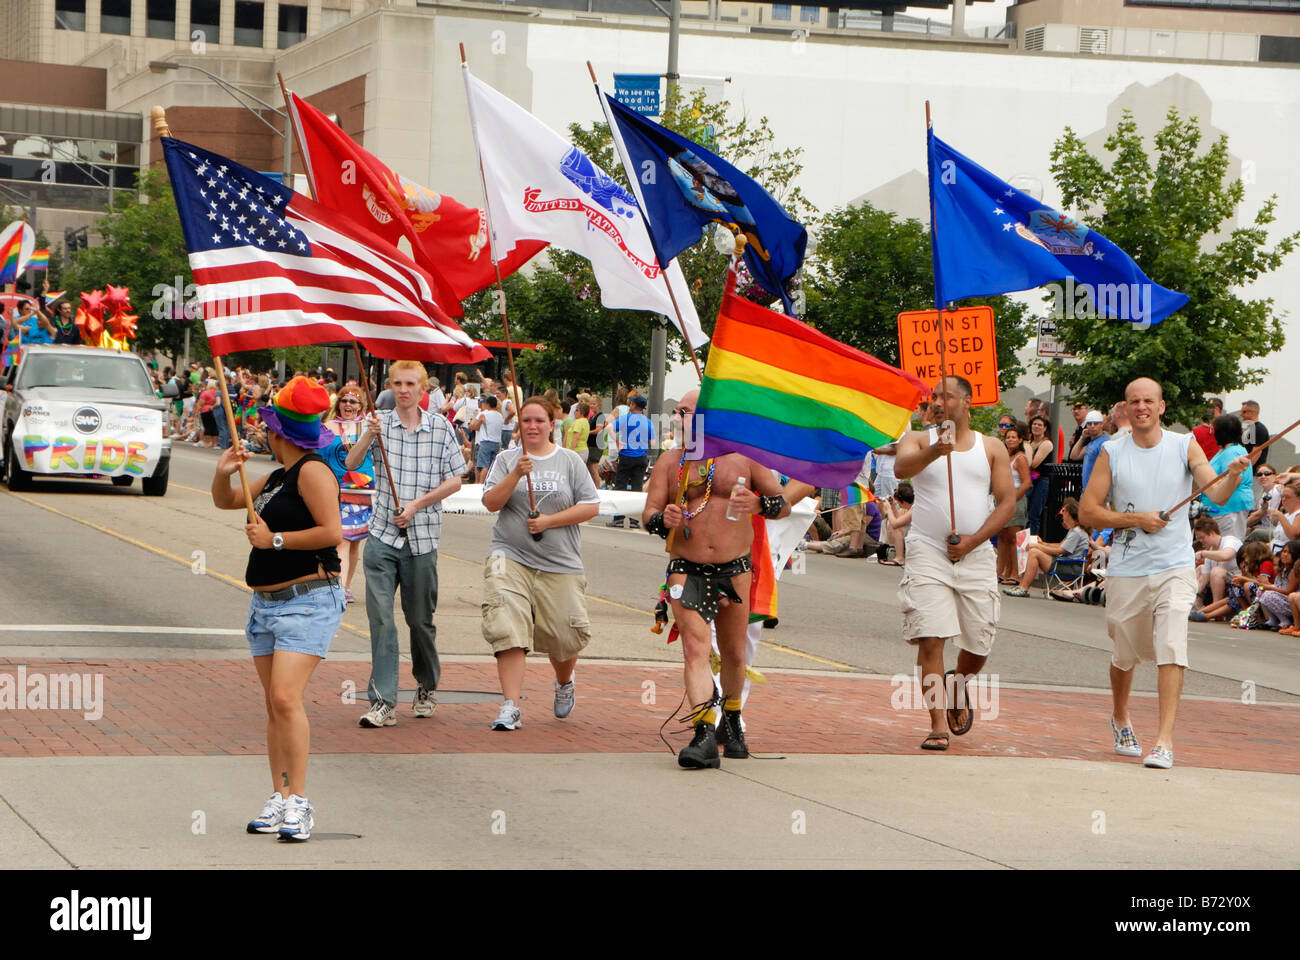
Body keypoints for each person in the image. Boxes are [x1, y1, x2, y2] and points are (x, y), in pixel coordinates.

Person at [1078, 377, 1249, 770]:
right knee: (1125, 652)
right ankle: (1120, 716)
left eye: (1148, 401)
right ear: (1125, 407)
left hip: (1174, 565)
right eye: (1134, 401)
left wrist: (1236, 472)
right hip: (1127, 568)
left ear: (1162, 407)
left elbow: (1217, 494)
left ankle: (1164, 740)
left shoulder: (1183, 444)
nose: (1141, 407)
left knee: (1172, 643)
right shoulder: (1112, 452)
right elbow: (1088, 511)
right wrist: (1136, 518)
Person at [211, 375, 344, 842]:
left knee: (286, 698)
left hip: (308, 600)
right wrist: (224, 469)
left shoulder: (313, 472)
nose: (265, 432)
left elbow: (333, 532)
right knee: (273, 705)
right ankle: (280, 797)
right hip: (265, 603)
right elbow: (227, 500)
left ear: (278, 431)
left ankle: (301, 802)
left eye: (269, 425)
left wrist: (276, 539)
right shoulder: (276, 475)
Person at [641, 388, 792, 769]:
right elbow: (649, 513)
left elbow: (783, 504)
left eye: (689, 412)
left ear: (711, 417)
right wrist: (664, 521)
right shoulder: (670, 462)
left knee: (733, 652)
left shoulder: (745, 458)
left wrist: (759, 504)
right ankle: (704, 733)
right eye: (678, 412)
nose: (680, 418)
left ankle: (733, 721)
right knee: (694, 648)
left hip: (735, 569)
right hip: (684, 569)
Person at [894, 375, 1016, 752]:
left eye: (947, 396)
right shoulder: (917, 438)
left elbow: (1007, 502)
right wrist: (936, 451)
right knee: (931, 635)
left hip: (975, 553)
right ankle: (936, 724)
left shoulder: (991, 446)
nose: (939, 402)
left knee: (979, 641)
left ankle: (958, 683)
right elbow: (901, 470)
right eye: (935, 397)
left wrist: (973, 542)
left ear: (967, 403)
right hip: (928, 550)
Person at [346, 360, 466, 728]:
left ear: (423, 388)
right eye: (397, 383)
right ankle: (382, 701)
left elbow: (456, 481)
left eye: (410, 383)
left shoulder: (441, 428)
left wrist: (415, 505)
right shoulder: (378, 423)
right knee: (381, 619)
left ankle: (426, 684)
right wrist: (367, 435)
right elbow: (351, 463)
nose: (403, 389)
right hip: (381, 536)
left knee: (419, 621)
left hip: (423, 539)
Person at [481, 397, 601, 730]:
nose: (531, 427)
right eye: (525, 421)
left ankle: (564, 682)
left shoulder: (570, 461)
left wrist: (549, 521)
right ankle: (510, 705)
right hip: (509, 556)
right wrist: (515, 475)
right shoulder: (507, 459)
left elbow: (591, 506)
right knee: (506, 625)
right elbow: (491, 502)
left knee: (564, 636)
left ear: (551, 424)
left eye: (538, 420)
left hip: (560, 561)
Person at [321, 385, 376, 604]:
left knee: (354, 542)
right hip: (336, 489)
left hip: (362, 490)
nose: (348, 405)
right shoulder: (327, 427)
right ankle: (339, 587)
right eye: (344, 401)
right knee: (342, 538)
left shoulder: (367, 427)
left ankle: (346, 585)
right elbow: (321, 456)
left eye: (353, 402)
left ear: (360, 405)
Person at [1002, 497, 1090, 597]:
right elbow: (1060, 545)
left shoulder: (1076, 532)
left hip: (1069, 567)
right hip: (1067, 565)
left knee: (1034, 552)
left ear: (1069, 513)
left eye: (1063, 511)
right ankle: (1022, 585)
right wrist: (1042, 543)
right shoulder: (1075, 531)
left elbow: (1059, 550)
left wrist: (1038, 546)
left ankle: (1023, 587)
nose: (1062, 514)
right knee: (1034, 550)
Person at [1198, 414, 1253, 542]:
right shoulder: (1225, 450)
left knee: (1229, 545)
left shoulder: (1233, 451)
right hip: (1219, 509)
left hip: (1229, 508)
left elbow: (1236, 479)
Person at [606, 394, 655, 527]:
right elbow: (653, 442)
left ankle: (618, 519)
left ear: (633, 405)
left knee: (620, 486)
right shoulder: (648, 422)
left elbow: (609, 427)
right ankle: (634, 520)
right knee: (637, 487)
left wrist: (617, 440)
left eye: (631, 403)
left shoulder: (625, 419)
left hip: (626, 456)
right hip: (641, 458)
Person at [997, 421, 1032, 585]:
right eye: (1008, 437)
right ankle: (1002, 571)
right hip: (1003, 500)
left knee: (1013, 539)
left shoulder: (1020, 458)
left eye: (1013, 437)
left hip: (1015, 500)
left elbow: (1027, 483)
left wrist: (1013, 498)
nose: (1010, 440)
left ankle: (1015, 573)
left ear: (1020, 440)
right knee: (1003, 537)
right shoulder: (1005, 456)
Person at [1190, 517, 1242, 611]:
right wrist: (1196, 593)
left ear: (1212, 533)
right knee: (1200, 569)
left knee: (1216, 571)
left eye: (1202, 537)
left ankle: (1215, 606)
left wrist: (1203, 553)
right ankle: (1194, 603)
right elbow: (1204, 580)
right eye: (1199, 538)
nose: (1201, 541)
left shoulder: (1230, 540)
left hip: (1238, 580)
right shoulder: (1211, 550)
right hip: (1222, 580)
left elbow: (1225, 555)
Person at [1259, 540, 1300, 632]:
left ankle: (1285, 621)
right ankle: (1273, 620)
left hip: (1292, 601)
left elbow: (1288, 591)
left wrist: (1269, 587)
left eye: (1289, 553)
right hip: (1286, 598)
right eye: (1284, 551)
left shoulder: (1295, 570)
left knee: (1268, 594)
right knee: (1261, 591)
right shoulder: (1285, 569)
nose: (1285, 554)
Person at [1024, 414, 1054, 536]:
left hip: (1041, 481)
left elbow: (1034, 464)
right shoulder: (1029, 442)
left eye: (1039, 425)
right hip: (1029, 480)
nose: (1036, 426)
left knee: (1034, 515)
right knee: (1025, 513)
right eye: (1034, 424)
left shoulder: (1046, 444)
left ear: (1045, 428)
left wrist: (1026, 450)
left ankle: (1033, 542)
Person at [470, 394, 505, 483]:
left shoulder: (484, 414)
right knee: (492, 466)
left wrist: (477, 419)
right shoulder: (500, 416)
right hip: (497, 443)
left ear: (487, 404)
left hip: (486, 442)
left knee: (483, 465)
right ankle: (490, 483)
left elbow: (473, 426)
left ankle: (481, 484)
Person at [878, 482, 914, 567]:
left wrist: (888, 508)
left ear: (904, 501)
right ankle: (893, 551)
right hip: (909, 534)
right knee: (889, 523)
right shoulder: (905, 508)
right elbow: (898, 518)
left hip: (915, 536)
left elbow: (896, 524)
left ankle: (899, 558)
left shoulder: (914, 509)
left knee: (895, 526)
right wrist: (893, 506)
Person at [1239, 401, 1270, 467]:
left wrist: (1246, 469)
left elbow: (1256, 453)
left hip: (1254, 472)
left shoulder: (1258, 429)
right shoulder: (1250, 428)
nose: (1241, 414)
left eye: (1244, 412)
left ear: (1252, 412)